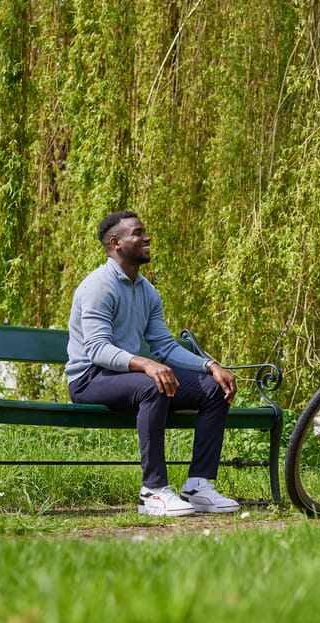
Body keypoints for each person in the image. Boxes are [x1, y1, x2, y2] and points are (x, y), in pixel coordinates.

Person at [66, 210, 242, 516]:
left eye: (144, 232)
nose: (146, 238)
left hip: (129, 379)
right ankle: (154, 491)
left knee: (214, 389)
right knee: (154, 385)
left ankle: (198, 486)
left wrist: (210, 366)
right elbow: (96, 348)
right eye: (137, 233)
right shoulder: (99, 286)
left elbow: (165, 346)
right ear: (115, 243)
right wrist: (146, 365)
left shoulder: (146, 291)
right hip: (91, 379)